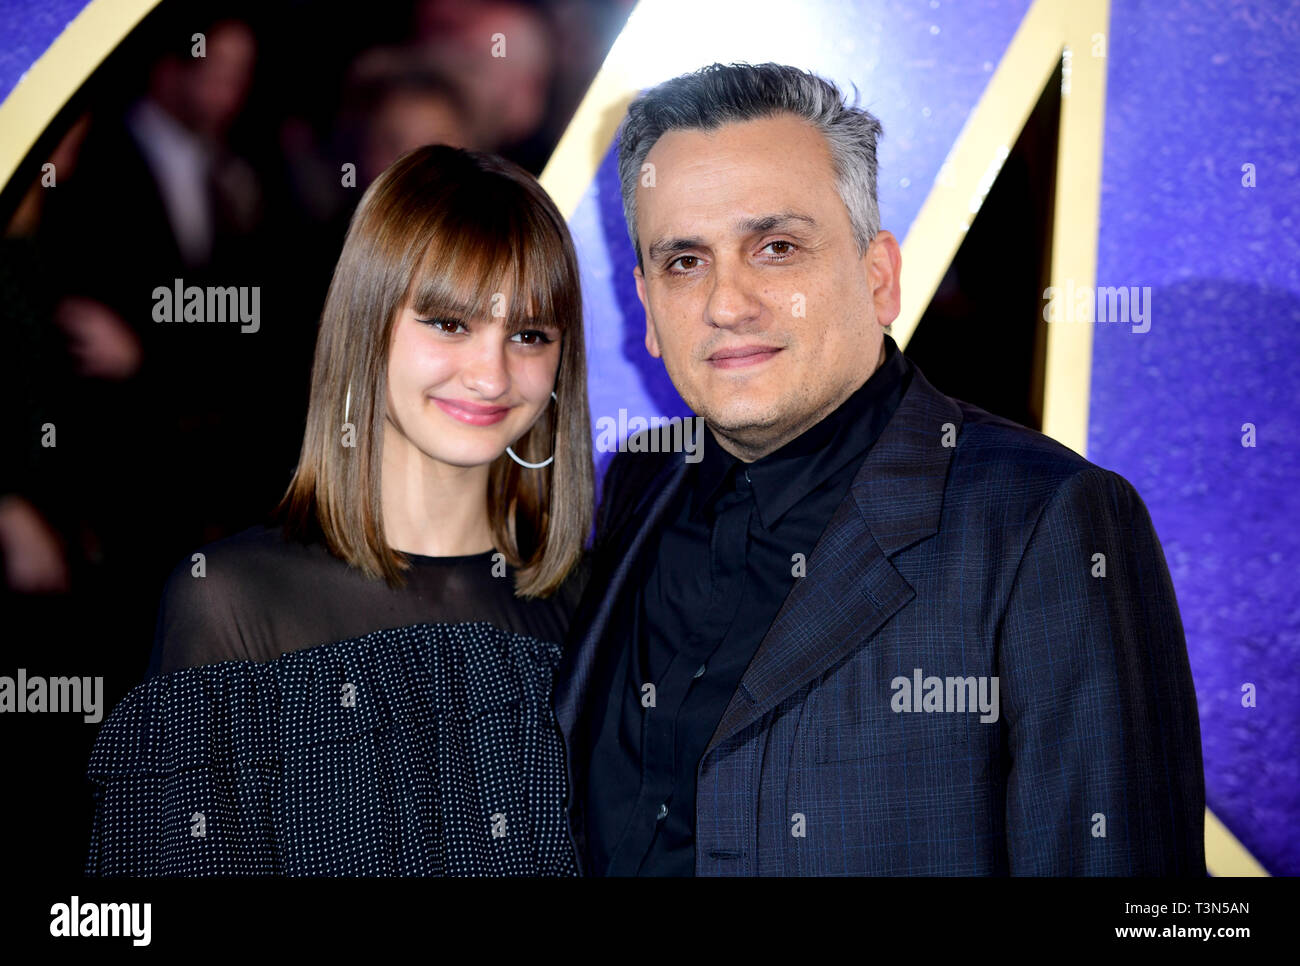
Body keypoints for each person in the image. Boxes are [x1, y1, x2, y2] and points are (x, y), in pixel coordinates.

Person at [557, 63, 1205, 876]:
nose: (728, 302)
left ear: (879, 277)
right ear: (646, 307)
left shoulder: (1046, 523)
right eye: (685, 261)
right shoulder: (636, 489)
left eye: (778, 247)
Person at [85, 145, 594, 876]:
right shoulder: (232, 603)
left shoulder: (594, 607)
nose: (491, 374)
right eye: (450, 324)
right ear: (368, 322)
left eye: (529, 334)